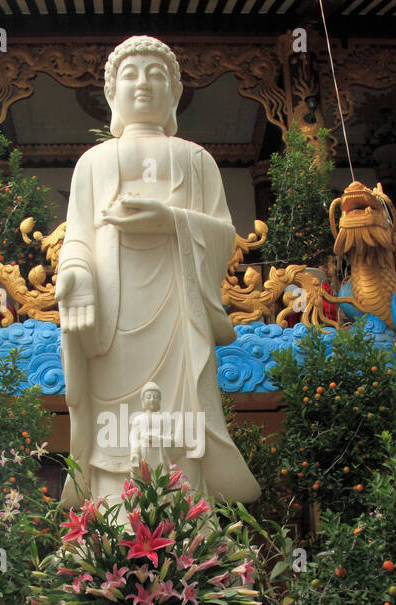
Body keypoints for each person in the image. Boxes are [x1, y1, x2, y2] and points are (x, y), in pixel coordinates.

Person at [55, 36, 260, 514]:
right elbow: (78, 239)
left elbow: (226, 237)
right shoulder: (94, 162)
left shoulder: (195, 159)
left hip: (176, 307)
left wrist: (171, 221)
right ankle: (108, 526)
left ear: (174, 93)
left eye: (156, 75)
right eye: (130, 74)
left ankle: (185, 536)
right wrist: (77, 277)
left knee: (178, 418)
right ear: (111, 93)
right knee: (114, 423)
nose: (143, 84)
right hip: (112, 314)